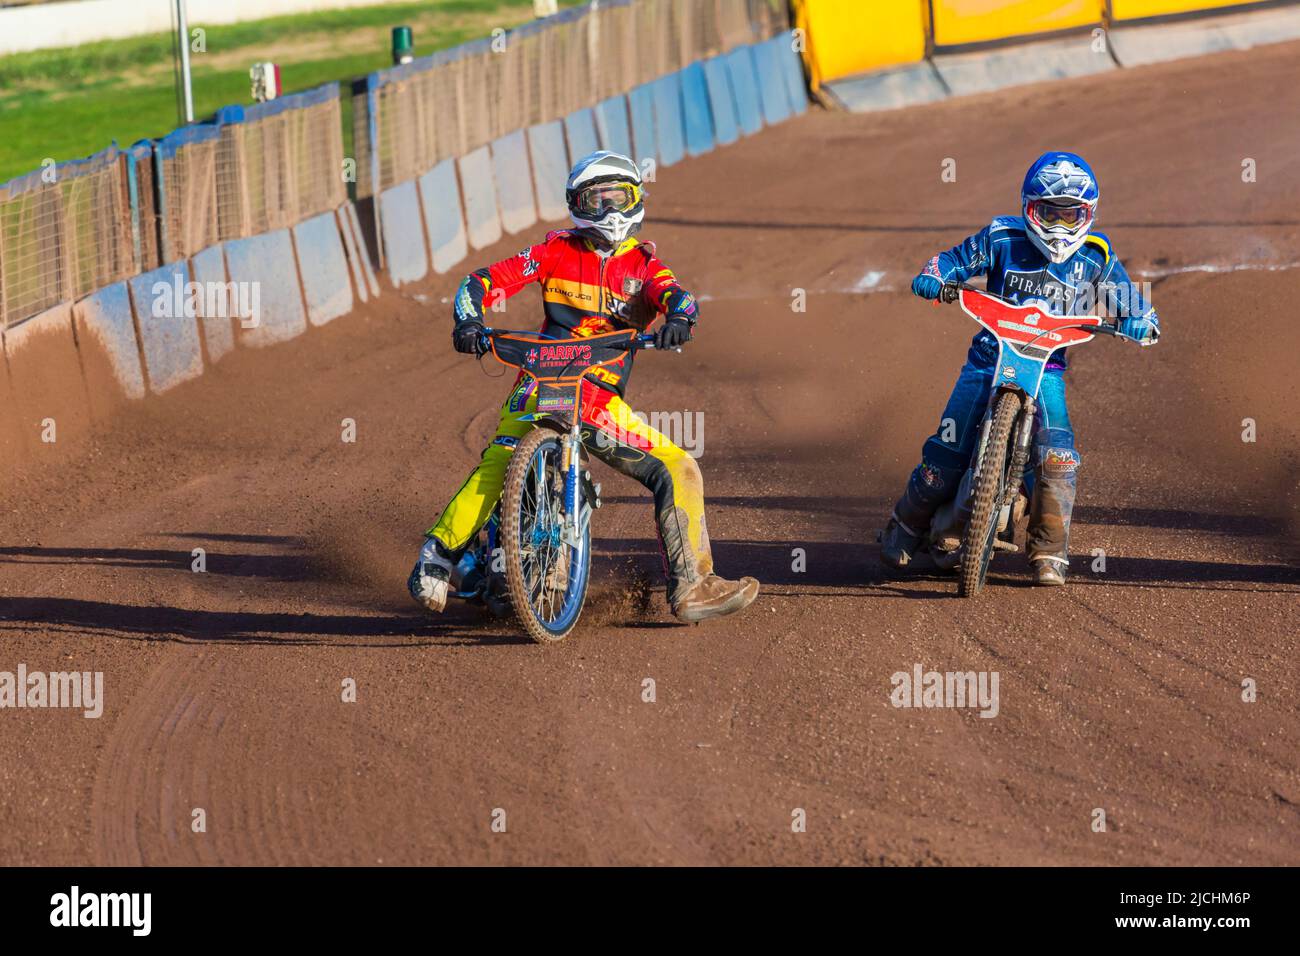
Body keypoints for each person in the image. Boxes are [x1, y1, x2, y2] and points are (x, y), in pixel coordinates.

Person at [409, 150, 760, 622]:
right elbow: (482, 280)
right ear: (577, 204)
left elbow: (680, 297)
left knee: (679, 469)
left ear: (636, 200)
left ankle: (692, 585)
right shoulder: (554, 252)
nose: (610, 211)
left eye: (619, 198)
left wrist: (680, 316)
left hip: (595, 402)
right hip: (543, 387)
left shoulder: (645, 267)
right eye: (597, 201)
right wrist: (468, 320)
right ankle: (438, 558)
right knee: (503, 458)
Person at [879, 151, 1160, 586]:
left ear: (1089, 214)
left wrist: (1141, 319)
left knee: (1059, 458)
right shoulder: (1001, 237)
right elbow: (948, 261)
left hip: (1045, 370)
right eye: (1049, 212)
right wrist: (935, 275)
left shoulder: (1095, 256)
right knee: (946, 454)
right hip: (987, 360)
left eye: (1072, 215)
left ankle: (1050, 551)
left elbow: (1133, 300)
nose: (1060, 225)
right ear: (1029, 207)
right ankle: (906, 524)